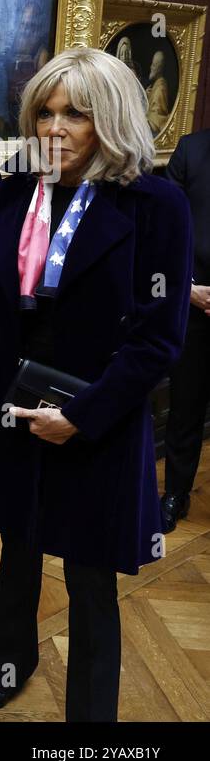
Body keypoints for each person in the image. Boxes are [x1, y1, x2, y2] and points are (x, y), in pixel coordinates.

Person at [0, 47, 192, 722]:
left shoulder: (155, 204)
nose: (54, 128)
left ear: (108, 120)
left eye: (74, 114)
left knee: (89, 577)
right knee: (17, 552)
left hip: (99, 417)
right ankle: (9, 662)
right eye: (44, 113)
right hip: (15, 403)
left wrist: (82, 414)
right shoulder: (12, 190)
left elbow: (159, 338)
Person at [159, 127, 210, 532]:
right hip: (191, 305)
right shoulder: (192, 150)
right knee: (185, 407)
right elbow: (163, 229)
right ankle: (175, 493)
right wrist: (187, 289)